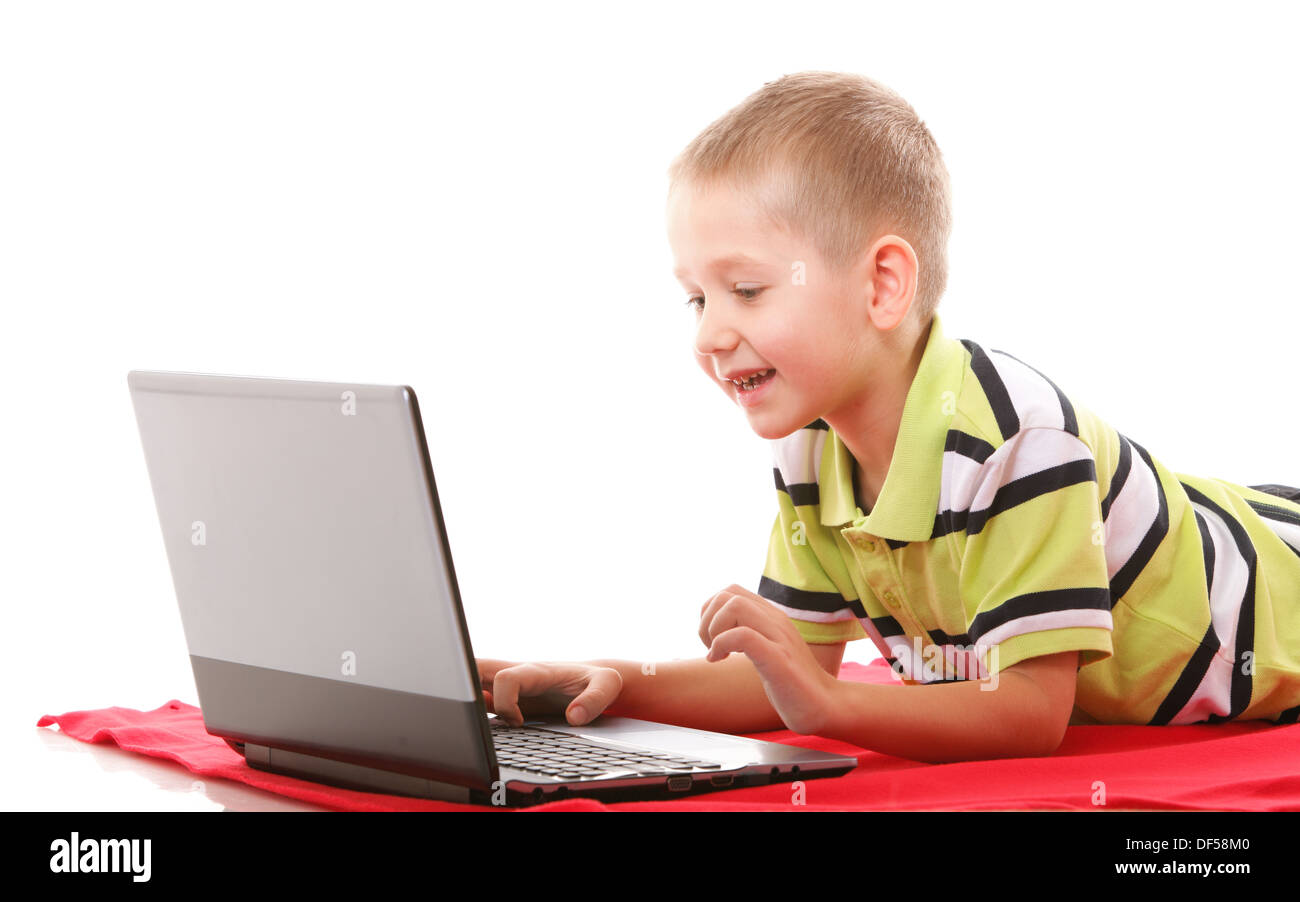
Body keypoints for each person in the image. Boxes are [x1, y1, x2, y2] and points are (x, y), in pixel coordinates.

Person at [477, 71, 1300, 764]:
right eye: (695, 298)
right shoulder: (812, 449)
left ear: (881, 285)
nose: (707, 334)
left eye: (747, 290)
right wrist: (617, 677)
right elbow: (791, 674)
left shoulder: (1016, 443)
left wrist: (832, 710)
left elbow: (1026, 714)